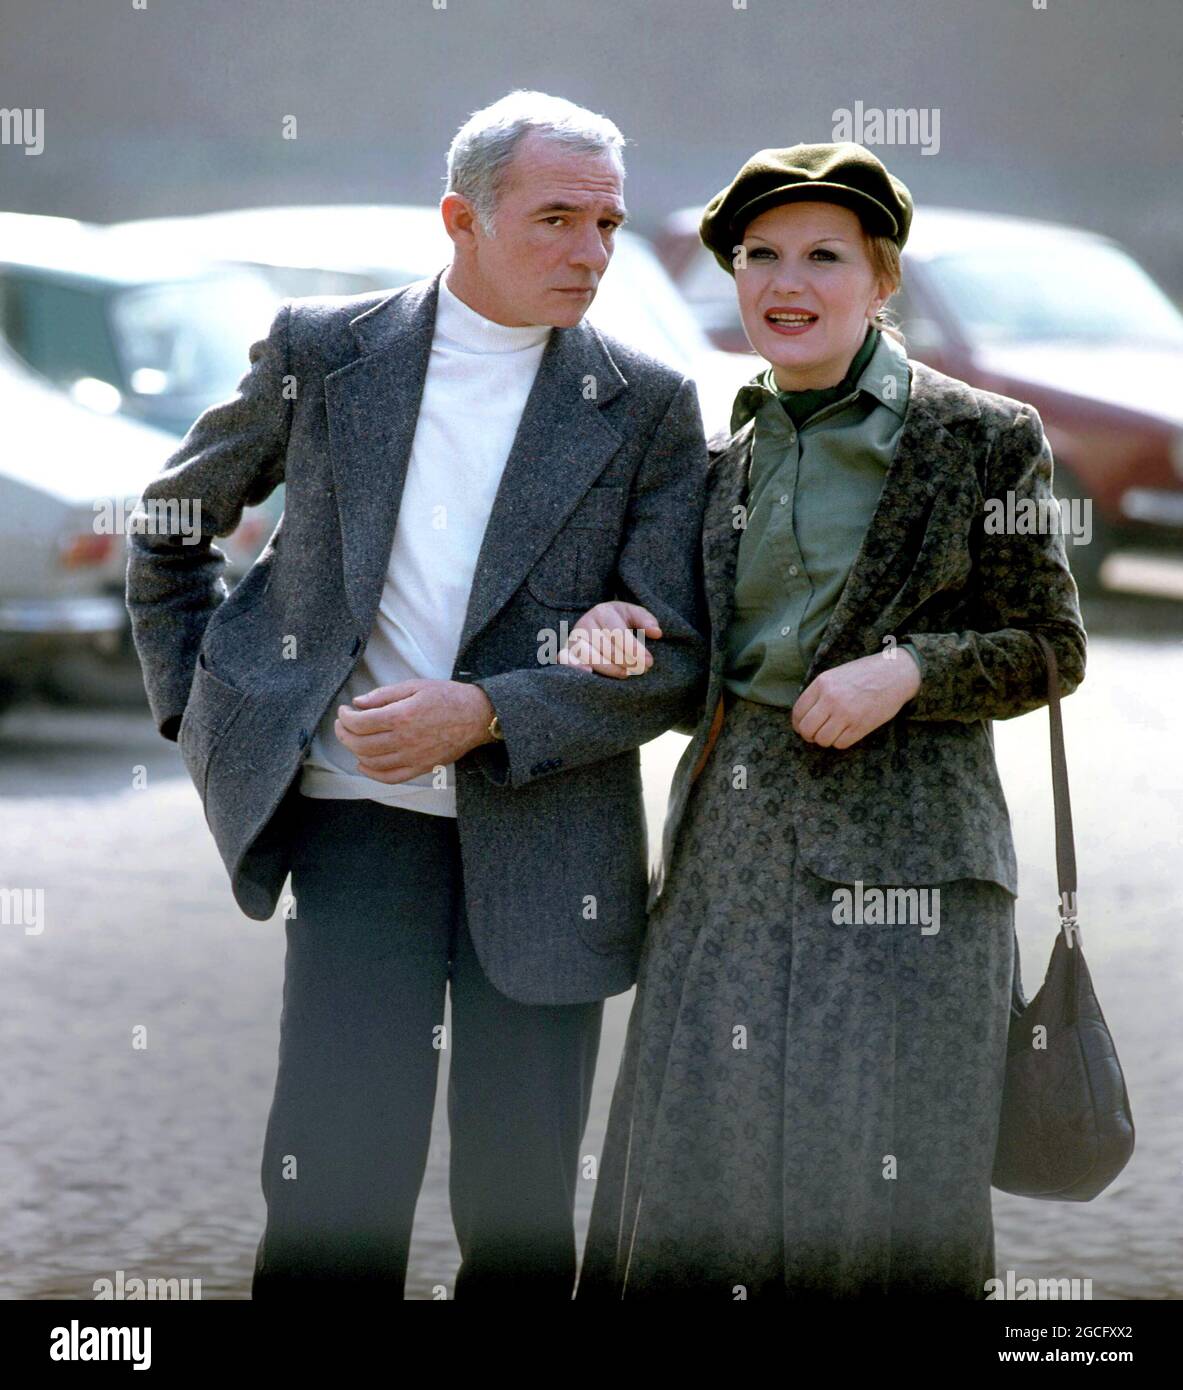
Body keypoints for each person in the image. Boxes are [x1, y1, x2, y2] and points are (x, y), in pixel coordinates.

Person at [124, 89, 710, 1301]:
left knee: (518, 1219)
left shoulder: (649, 402)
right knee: (332, 1190)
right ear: (460, 217)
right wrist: (209, 710)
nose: (590, 252)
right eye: (556, 219)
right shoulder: (322, 351)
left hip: (553, 843)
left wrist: (489, 710)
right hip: (354, 837)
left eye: (606, 224)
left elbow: (676, 658)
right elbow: (174, 523)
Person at [568, 142, 1087, 1299]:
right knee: (707, 1175)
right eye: (759, 256)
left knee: (885, 1194)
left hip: (914, 867)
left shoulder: (985, 437)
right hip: (732, 856)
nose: (784, 282)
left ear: (882, 276)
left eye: (822, 256)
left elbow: (1051, 646)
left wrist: (906, 670)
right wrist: (615, 619)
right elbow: (686, 641)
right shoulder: (716, 454)